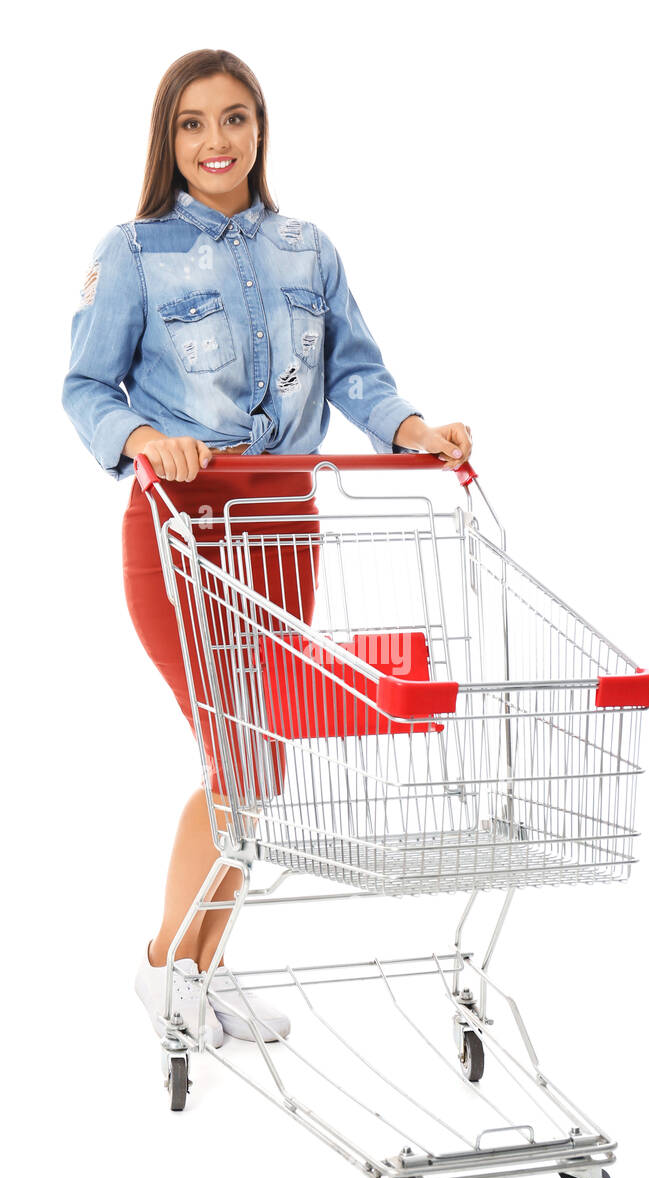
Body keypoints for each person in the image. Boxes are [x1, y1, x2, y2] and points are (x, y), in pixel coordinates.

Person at [62, 47, 473, 1049]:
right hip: (182, 534)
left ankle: (200, 968)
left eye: (235, 118)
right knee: (231, 757)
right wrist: (146, 439)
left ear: (260, 128)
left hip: (285, 529)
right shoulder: (135, 251)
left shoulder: (307, 247)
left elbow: (358, 372)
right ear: (169, 140)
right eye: (193, 123)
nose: (216, 141)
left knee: (263, 762)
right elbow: (84, 389)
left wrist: (411, 427)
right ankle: (165, 968)